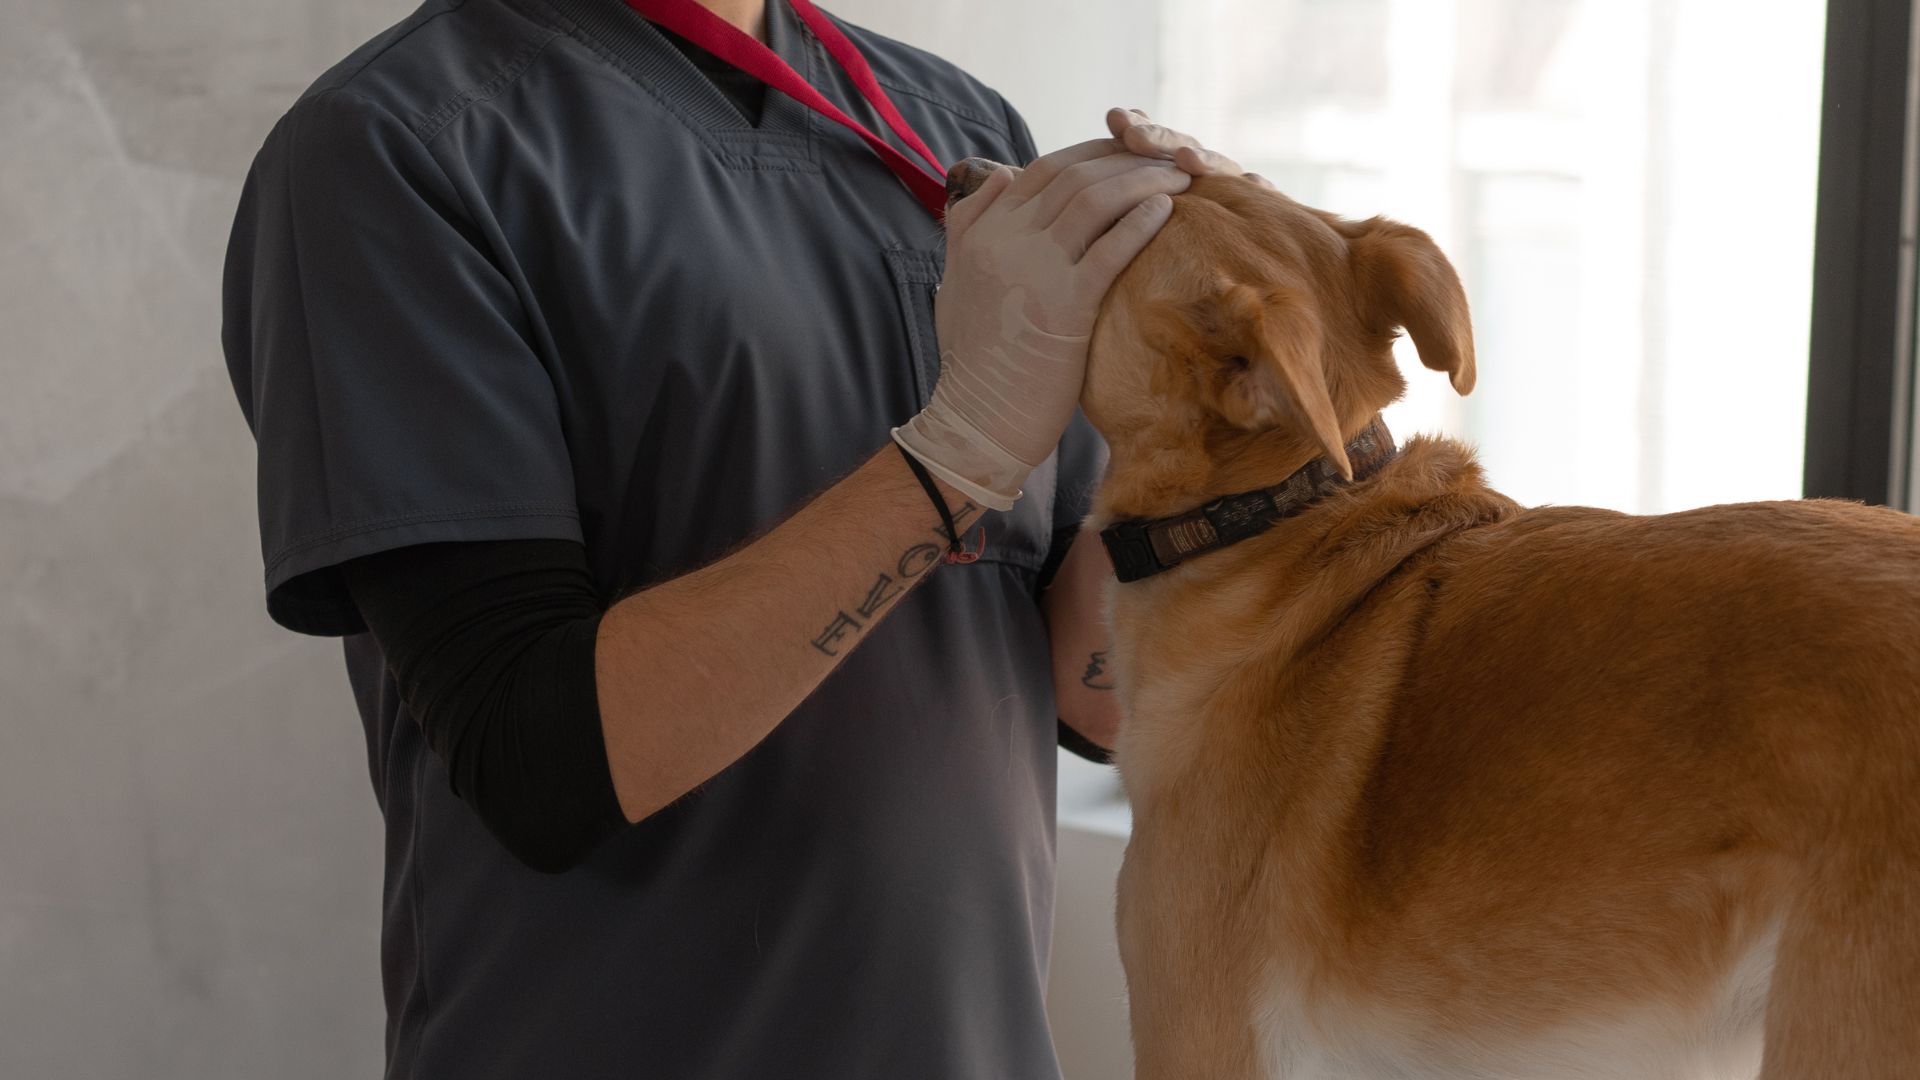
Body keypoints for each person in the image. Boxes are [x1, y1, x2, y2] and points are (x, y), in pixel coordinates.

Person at [221, 0, 1246, 1075]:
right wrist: (957, 451)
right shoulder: (397, 143)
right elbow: (538, 760)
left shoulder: (951, 122)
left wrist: (1216, 408)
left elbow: (1097, 695)